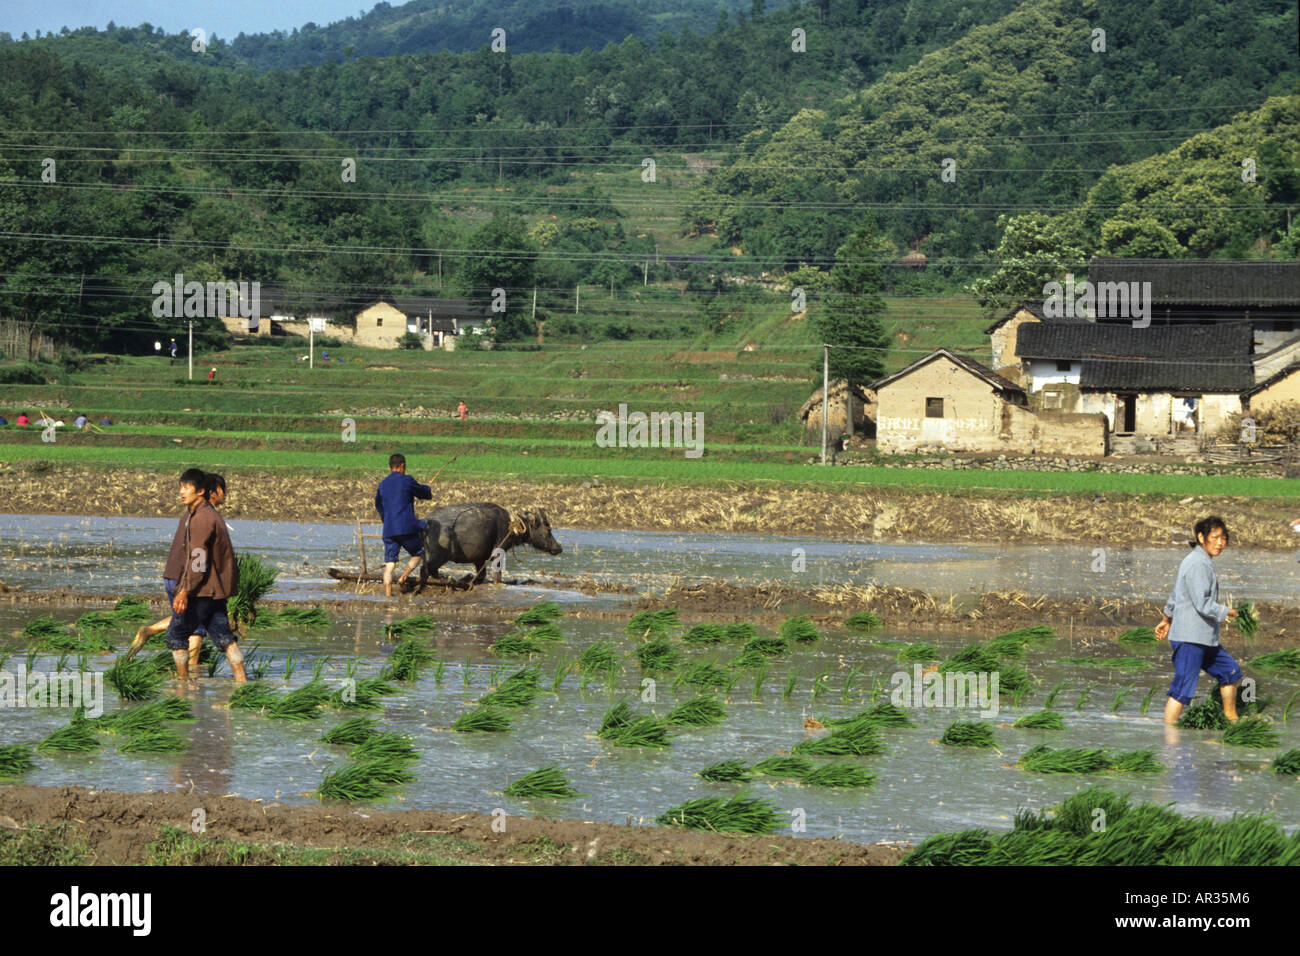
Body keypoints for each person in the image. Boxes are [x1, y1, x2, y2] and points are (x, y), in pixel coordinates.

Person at [1154, 516, 1241, 725]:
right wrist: (1229, 612)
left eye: (1224, 538)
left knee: (1230, 671)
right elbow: (1203, 604)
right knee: (1183, 688)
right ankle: (1170, 737)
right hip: (1189, 638)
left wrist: (1166, 618)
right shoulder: (1197, 564)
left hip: (1204, 637)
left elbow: (1176, 593)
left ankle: (1231, 719)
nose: (1220, 543)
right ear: (1201, 537)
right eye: (1215, 537)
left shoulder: (1200, 561)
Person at [128, 468, 212, 670]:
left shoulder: (191, 513)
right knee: (196, 624)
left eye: (185, 487)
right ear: (210, 492)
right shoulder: (201, 517)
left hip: (173, 574)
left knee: (187, 619)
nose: (182, 492)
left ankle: (148, 636)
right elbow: (197, 554)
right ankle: (189, 676)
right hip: (184, 577)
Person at [166, 468, 244, 681]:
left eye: (187, 488)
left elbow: (198, 561)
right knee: (224, 636)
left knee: (177, 634)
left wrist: (184, 591)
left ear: (200, 491)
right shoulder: (206, 514)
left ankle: (183, 685)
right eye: (180, 487)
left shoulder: (201, 518)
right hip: (214, 589)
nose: (182, 492)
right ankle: (242, 682)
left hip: (201, 590)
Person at [374, 453, 432, 597]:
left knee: (389, 564)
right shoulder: (407, 480)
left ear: (389, 467)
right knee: (418, 553)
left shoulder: (382, 484)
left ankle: (387, 595)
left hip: (388, 529)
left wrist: (386, 519)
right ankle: (403, 576)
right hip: (406, 528)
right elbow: (423, 493)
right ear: (402, 466)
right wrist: (427, 487)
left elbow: (378, 505)